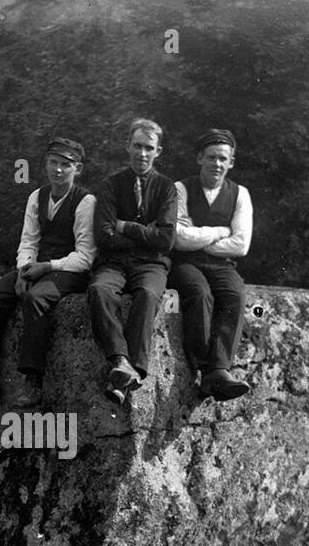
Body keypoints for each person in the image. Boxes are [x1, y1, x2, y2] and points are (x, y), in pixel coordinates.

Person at [0, 138, 95, 410]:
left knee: (37, 298)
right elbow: (29, 241)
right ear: (46, 164)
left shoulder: (86, 202)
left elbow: (85, 257)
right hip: (37, 266)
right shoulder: (37, 197)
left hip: (69, 269)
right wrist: (22, 271)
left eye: (66, 165)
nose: (58, 170)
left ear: (78, 169)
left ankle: (33, 380)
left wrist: (47, 266)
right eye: (53, 163)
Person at [86, 118, 177, 406]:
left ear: (158, 151)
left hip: (151, 264)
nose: (142, 153)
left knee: (148, 294)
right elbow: (103, 236)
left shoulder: (166, 188)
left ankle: (130, 371)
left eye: (149, 148)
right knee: (99, 289)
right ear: (127, 146)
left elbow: (166, 240)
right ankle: (121, 361)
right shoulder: (110, 185)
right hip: (113, 262)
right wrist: (146, 234)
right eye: (137, 146)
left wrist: (125, 227)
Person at [168, 129, 253, 401]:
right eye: (211, 157)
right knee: (199, 293)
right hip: (185, 263)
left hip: (222, 265)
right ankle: (206, 368)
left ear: (231, 162)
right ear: (199, 158)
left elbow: (241, 245)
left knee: (234, 294)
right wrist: (220, 232)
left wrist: (198, 238)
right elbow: (179, 238)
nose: (217, 164)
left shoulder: (240, 194)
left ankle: (219, 369)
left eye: (223, 159)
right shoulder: (180, 189)